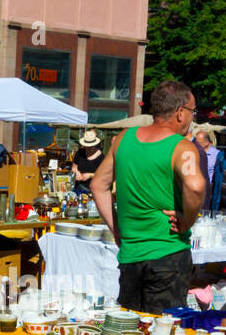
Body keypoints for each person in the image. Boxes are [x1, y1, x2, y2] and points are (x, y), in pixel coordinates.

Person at [89, 80, 207, 314]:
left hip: (131, 254)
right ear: (180, 112)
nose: (192, 118)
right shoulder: (181, 146)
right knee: (161, 334)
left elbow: (97, 185)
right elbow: (195, 186)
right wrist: (187, 220)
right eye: (193, 112)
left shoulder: (123, 139)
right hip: (168, 253)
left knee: (129, 332)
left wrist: (115, 228)